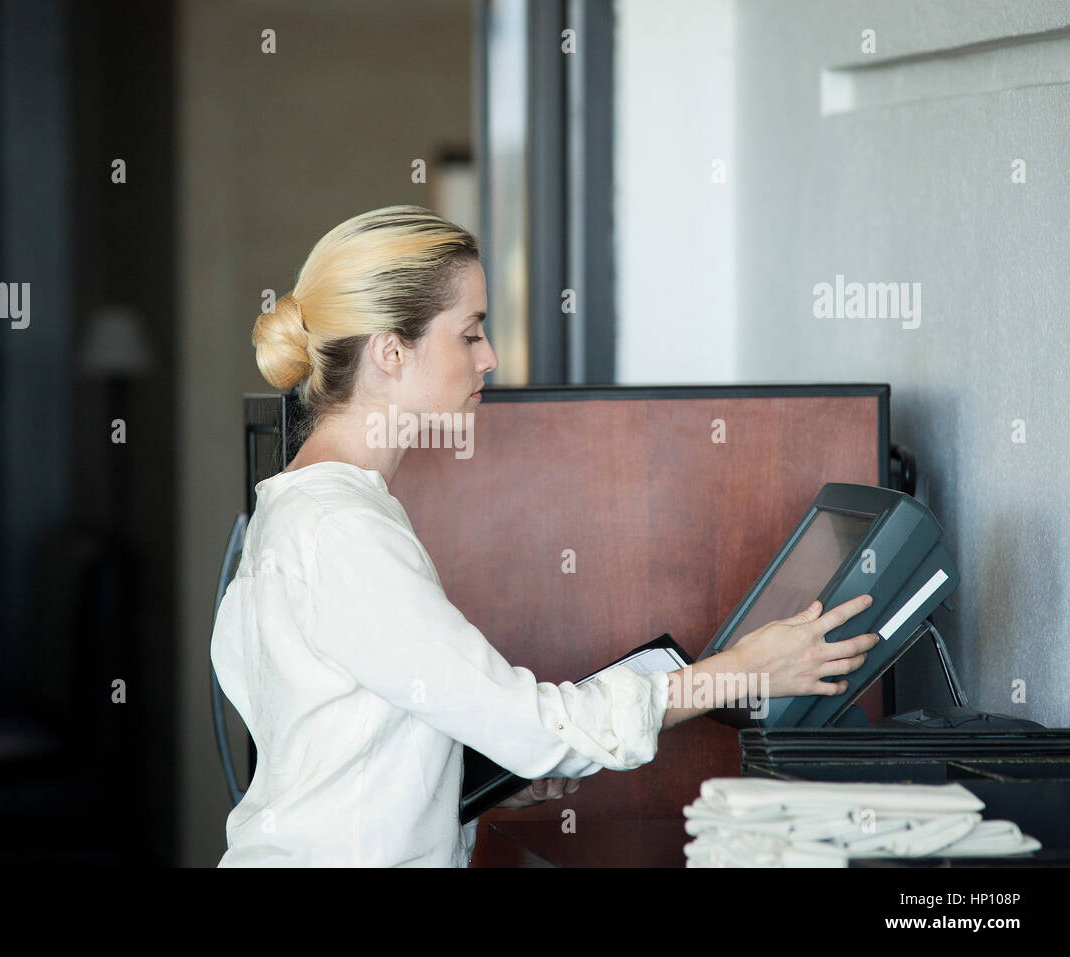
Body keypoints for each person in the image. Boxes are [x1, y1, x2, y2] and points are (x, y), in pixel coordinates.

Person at [211, 205, 879, 867]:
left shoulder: (307, 508)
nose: (491, 357)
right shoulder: (343, 530)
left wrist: (470, 779)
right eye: (470, 334)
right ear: (392, 351)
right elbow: (537, 728)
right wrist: (739, 671)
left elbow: (347, 742)